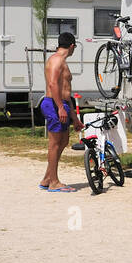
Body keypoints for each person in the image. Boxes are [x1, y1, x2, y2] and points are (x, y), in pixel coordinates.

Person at [39, 31, 83, 192]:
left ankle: (47, 178)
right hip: (53, 104)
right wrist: (59, 107)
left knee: (63, 141)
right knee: (55, 144)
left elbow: (66, 93)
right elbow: (52, 85)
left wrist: (75, 118)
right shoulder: (56, 60)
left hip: (61, 104)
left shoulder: (62, 61)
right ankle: (54, 182)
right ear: (72, 46)